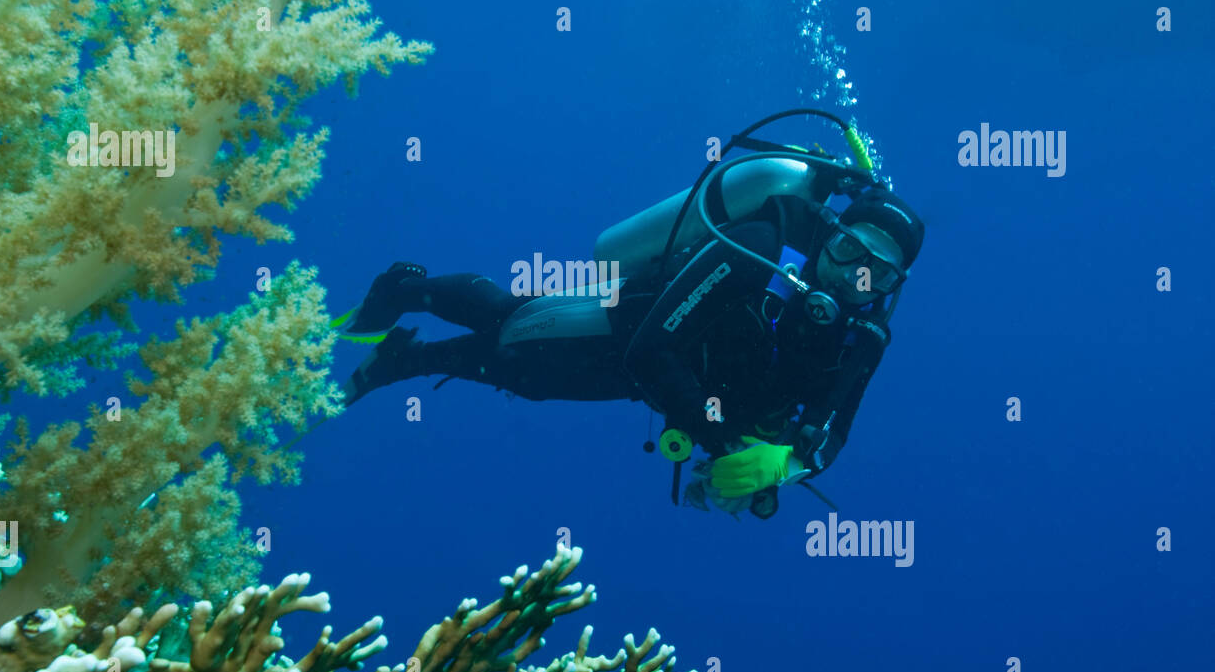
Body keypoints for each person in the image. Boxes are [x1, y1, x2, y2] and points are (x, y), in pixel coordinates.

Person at [339, 110, 924, 520]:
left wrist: (789, 462)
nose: (854, 277)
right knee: (512, 330)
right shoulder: (761, 249)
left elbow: (832, 432)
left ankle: (403, 360)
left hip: (657, 387)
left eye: (878, 272)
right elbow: (653, 350)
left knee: (521, 374)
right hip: (629, 323)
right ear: (831, 233)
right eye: (850, 250)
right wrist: (722, 444)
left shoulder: (866, 337)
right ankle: (404, 292)